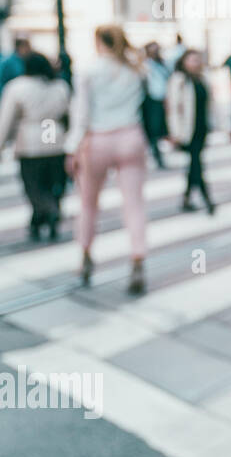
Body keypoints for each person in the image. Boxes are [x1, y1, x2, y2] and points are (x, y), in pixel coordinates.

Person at [65, 25, 149, 295]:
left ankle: (86, 257)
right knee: (134, 204)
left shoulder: (89, 71)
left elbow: (81, 113)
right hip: (131, 137)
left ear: (98, 41)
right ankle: (138, 259)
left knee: (88, 204)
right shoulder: (135, 70)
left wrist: (72, 148)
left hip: (98, 139)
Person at [0, 51, 71, 240]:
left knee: (34, 187)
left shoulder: (17, 87)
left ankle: (49, 211)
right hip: (55, 139)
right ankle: (41, 220)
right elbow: (69, 113)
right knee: (53, 184)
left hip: (30, 143)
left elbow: (6, 120)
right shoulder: (59, 86)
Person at [166, 49, 216, 216]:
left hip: (201, 128)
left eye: (197, 60)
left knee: (194, 164)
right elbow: (173, 108)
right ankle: (207, 199)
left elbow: (211, 104)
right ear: (184, 62)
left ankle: (187, 198)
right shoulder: (178, 80)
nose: (195, 63)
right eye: (191, 60)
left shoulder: (203, 78)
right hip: (187, 130)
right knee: (197, 164)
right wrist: (175, 132)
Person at [141, 43, 170, 169]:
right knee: (153, 129)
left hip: (162, 99)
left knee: (160, 129)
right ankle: (156, 155)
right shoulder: (145, 66)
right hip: (151, 100)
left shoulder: (162, 64)